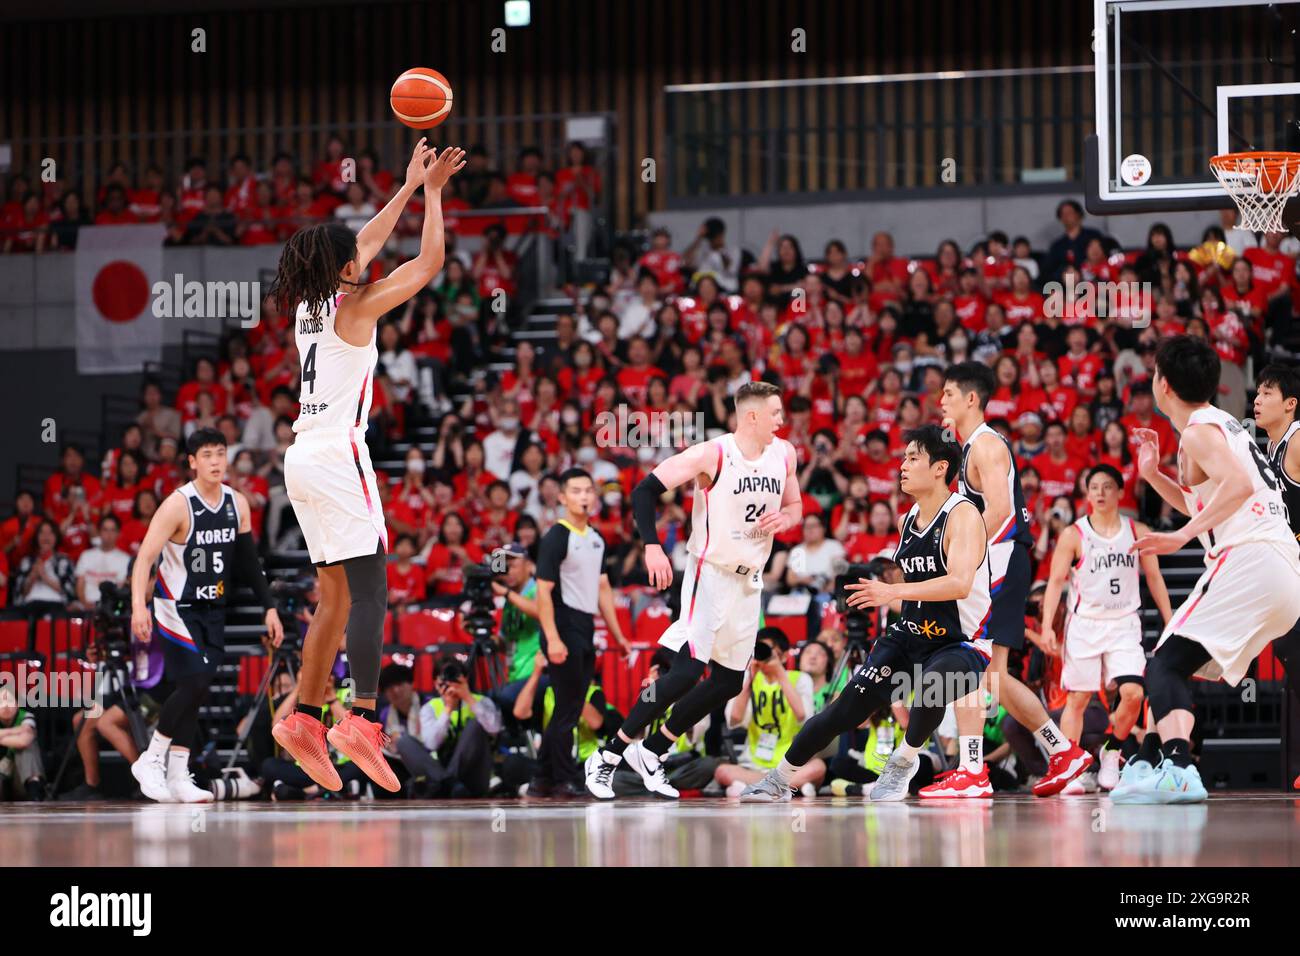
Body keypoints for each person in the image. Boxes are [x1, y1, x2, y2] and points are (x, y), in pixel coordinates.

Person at [268, 141, 465, 795]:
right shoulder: (359, 304)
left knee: (334, 597)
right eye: (354, 254)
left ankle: (303, 715)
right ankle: (364, 717)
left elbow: (368, 242)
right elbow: (429, 260)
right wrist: (433, 193)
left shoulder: (310, 307)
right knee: (373, 589)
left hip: (299, 457)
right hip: (340, 454)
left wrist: (406, 186)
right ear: (344, 266)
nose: (363, 253)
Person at [741, 425, 992, 802]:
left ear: (940, 468)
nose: (902, 466)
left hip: (962, 641)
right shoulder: (908, 518)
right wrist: (884, 594)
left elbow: (959, 583)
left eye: (912, 458)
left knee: (932, 686)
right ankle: (779, 779)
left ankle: (903, 762)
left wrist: (892, 591)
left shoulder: (963, 515)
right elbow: (916, 585)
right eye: (903, 457)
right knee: (844, 708)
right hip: (910, 633)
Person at [584, 381, 802, 800]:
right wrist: (652, 546)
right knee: (685, 669)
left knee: (728, 681)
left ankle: (653, 750)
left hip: (749, 579)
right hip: (711, 571)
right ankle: (608, 756)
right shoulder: (712, 453)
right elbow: (644, 490)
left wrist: (786, 521)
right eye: (775, 412)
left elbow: (795, 507)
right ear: (751, 416)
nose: (782, 419)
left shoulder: (785, 454)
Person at [1113, 336, 1300, 804]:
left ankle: (1177, 766)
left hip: (1251, 558)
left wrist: (1178, 537)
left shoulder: (1199, 429)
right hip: (1279, 573)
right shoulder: (1216, 427)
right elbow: (1214, 496)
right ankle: (1148, 759)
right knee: (1174, 663)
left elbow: (1236, 486)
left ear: (1164, 385)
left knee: (1164, 664)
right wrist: (1155, 476)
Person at [934, 361, 1091, 798]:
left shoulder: (985, 445)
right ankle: (1063, 752)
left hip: (998, 563)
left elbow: (1000, 512)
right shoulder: (975, 447)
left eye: (948, 394)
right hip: (1005, 561)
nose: (940, 401)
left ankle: (971, 770)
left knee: (968, 659)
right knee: (993, 676)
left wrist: (961, 554)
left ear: (970, 398)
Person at [128, 428, 283, 803]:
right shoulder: (177, 504)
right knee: (195, 681)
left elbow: (249, 562)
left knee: (198, 691)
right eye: (207, 455)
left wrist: (269, 607)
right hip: (175, 607)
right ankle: (150, 759)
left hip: (214, 607)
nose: (215, 461)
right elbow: (144, 558)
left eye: (220, 453)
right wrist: (137, 607)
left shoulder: (237, 503)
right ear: (192, 462)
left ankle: (180, 775)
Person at [1039, 465, 1172, 792]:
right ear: (1086, 493)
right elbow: (1055, 582)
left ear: (1119, 492)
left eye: (1107, 486)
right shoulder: (1074, 534)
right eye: (1093, 487)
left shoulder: (1137, 530)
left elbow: (1154, 578)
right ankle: (1069, 767)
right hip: (1084, 624)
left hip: (1124, 623)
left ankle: (1112, 752)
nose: (1099, 492)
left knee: (1134, 694)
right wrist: (1046, 627)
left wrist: (1171, 621)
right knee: (1079, 699)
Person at [534, 468, 631, 796]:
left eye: (588, 490)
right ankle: (563, 777)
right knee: (567, 707)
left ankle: (542, 778)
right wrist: (552, 638)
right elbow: (543, 590)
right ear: (562, 497)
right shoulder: (556, 536)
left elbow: (603, 588)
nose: (584, 497)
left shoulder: (596, 538)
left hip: (585, 625)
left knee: (572, 705)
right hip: (562, 623)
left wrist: (617, 635)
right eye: (576, 491)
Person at [1255, 364, 1300, 790]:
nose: (1257, 399)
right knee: (1291, 653)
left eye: (1267, 393)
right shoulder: (1268, 450)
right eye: (1257, 393)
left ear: (1290, 404)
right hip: (1285, 568)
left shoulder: (1298, 440)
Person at [714, 628, 818, 797]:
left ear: (784, 656)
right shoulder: (748, 680)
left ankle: (753, 786)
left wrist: (780, 674)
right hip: (753, 763)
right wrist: (750, 677)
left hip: (789, 764)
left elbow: (803, 717)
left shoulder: (799, 678)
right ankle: (784, 786)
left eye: (772, 653)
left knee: (818, 767)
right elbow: (733, 719)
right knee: (722, 771)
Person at [401, 660, 503, 798]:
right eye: (443, 680)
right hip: (443, 773)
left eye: (453, 679)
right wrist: (448, 709)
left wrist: (467, 697)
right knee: (404, 741)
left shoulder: (481, 701)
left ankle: (446, 782)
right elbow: (431, 744)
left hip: (474, 776)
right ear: (435, 683)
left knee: (475, 724)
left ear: (465, 680)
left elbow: (495, 728)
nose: (449, 684)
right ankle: (448, 782)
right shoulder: (430, 708)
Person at [0, 686, 44, 801]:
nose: (5, 706)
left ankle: (35, 794)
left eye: (9, 700)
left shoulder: (26, 716)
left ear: (17, 703)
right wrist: (14, 731)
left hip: (20, 778)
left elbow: (23, 741)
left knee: (28, 747)